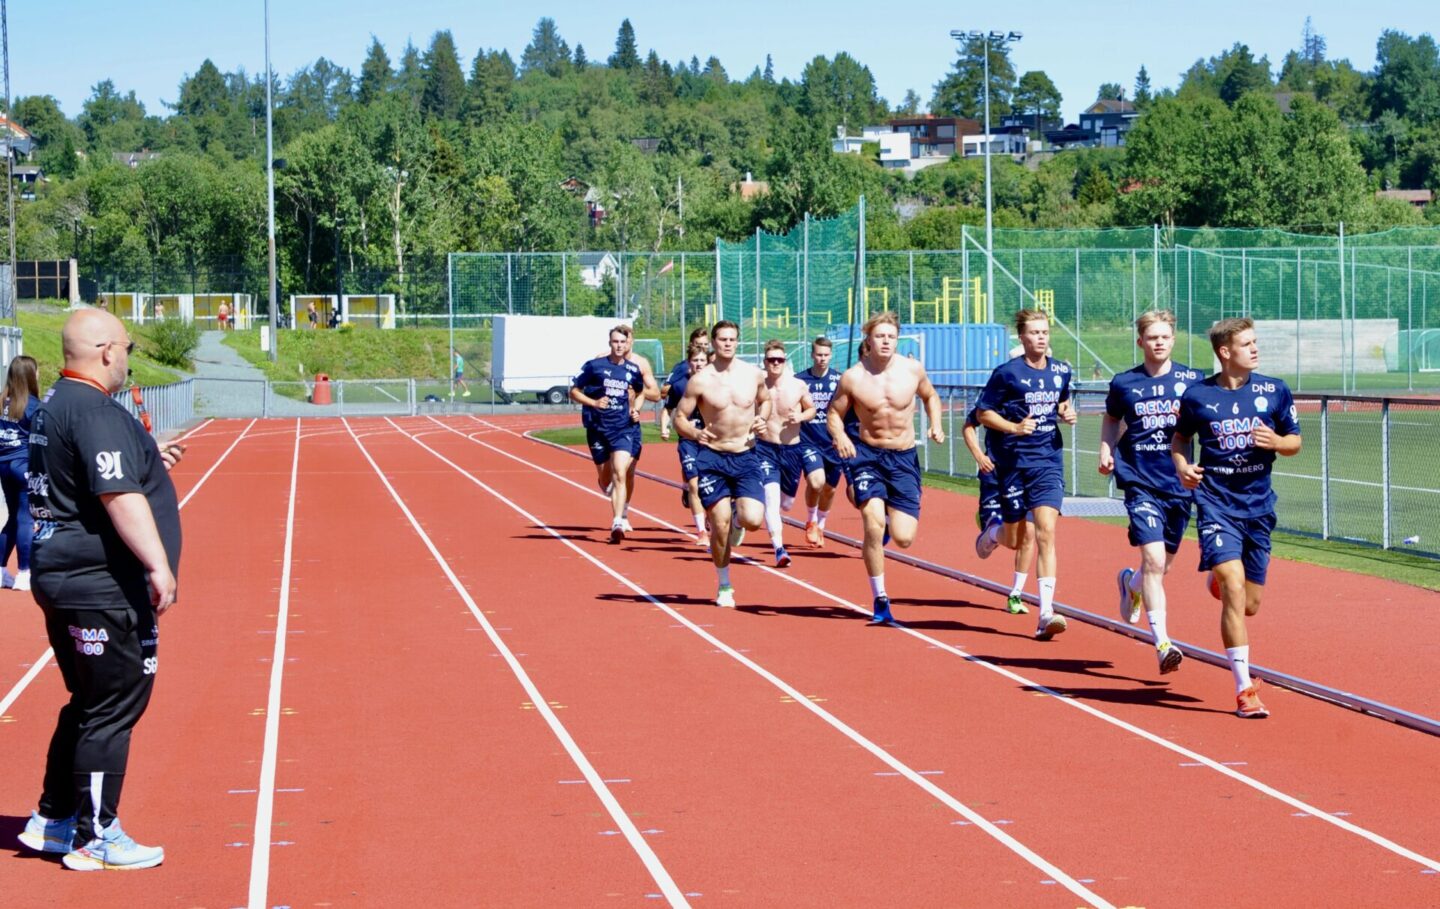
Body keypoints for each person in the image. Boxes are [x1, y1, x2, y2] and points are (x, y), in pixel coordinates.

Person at [18, 308, 186, 870]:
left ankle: (54, 818)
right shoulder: (93, 410)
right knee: (113, 704)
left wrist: (147, 460)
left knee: (91, 701)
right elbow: (118, 496)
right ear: (107, 350)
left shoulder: (56, 404)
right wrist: (159, 565)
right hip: (99, 585)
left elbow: (86, 476)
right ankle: (97, 835)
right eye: (128, 347)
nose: (128, 358)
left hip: (65, 575)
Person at [1172, 317, 1301, 718]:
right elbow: (1180, 437)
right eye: (1247, 344)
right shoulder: (1198, 395)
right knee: (1233, 585)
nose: (1255, 349)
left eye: (1255, 342)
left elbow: (1295, 441)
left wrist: (1277, 442)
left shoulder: (1274, 390)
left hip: (1258, 506)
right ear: (1225, 352)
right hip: (1215, 503)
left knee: (1250, 604)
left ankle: (1220, 579)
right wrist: (1182, 465)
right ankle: (1245, 689)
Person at [1098, 310, 1202, 674]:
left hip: (1178, 483)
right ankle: (1162, 644)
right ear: (1141, 341)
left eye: (1165, 336)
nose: (1159, 342)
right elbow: (1112, 418)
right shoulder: (1125, 383)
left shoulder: (1193, 381)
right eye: (1152, 337)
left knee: (1162, 566)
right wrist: (1107, 449)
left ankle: (1131, 583)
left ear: (1173, 339)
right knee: (1154, 560)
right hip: (1139, 480)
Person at [827, 311, 944, 625]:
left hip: (903, 458)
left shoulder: (912, 370)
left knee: (904, 538)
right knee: (872, 522)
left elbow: (931, 396)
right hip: (868, 456)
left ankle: (891, 523)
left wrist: (935, 423)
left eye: (891, 336)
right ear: (868, 339)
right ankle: (880, 599)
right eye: (880, 336)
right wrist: (840, 437)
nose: (886, 341)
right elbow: (834, 413)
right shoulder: (853, 377)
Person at [974, 309, 1077, 641]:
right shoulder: (1007, 373)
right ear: (1022, 337)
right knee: (1016, 539)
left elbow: (1062, 402)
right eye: (1034, 332)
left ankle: (1046, 613)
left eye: (1045, 332)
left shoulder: (1061, 370)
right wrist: (1014, 428)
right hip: (1013, 464)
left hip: (1048, 461)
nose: (1041, 337)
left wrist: (1066, 412)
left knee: (1046, 531)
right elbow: (983, 414)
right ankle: (993, 534)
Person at [675, 320, 770, 607]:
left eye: (732, 339)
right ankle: (725, 584)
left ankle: (739, 520)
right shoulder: (701, 379)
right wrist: (695, 433)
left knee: (753, 520)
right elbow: (680, 418)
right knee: (719, 524)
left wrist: (762, 418)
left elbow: (765, 401)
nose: (727, 343)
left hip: (746, 455)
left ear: (737, 341)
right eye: (722, 339)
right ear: (713, 343)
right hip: (713, 457)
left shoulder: (753, 374)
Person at [571, 326, 645, 543]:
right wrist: (594, 402)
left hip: (622, 429)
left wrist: (635, 409)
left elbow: (640, 391)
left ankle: (617, 522)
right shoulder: (595, 366)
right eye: (615, 342)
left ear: (628, 343)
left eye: (623, 342)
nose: (619, 346)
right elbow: (573, 391)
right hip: (597, 429)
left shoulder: (633, 369)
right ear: (610, 343)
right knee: (606, 479)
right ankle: (607, 488)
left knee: (620, 472)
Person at [961, 405, 1036, 615]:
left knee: (1028, 533)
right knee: (1005, 540)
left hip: (1027, 473)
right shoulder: (994, 398)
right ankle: (992, 532)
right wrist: (979, 456)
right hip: (995, 473)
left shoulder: (1033, 397)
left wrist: (1066, 411)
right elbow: (968, 425)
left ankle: (1015, 594)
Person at [755, 340, 816, 567]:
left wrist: (800, 417)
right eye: (771, 360)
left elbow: (812, 409)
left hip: (792, 450)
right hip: (766, 448)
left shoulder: (797, 385)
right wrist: (755, 424)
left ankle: (744, 513)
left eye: (779, 360)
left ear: (784, 361)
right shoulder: (758, 386)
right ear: (765, 362)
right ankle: (779, 549)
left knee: (787, 503)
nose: (776, 363)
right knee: (770, 499)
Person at [660, 342, 711, 544]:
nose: (699, 364)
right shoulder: (681, 385)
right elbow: (668, 408)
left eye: (702, 360)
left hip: (711, 440)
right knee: (694, 484)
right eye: (695, 360)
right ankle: (701, 531)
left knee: (710, 484)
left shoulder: (715, 383)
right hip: (688, 440)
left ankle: (713, 516)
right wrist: (665, 427)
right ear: (689, 363)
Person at [0, 355, 40, 591]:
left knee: (13, 517)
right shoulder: (33, 406)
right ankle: (24, 573)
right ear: (30, 376)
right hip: (23, 465)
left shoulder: (1, 402)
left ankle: (1, 570)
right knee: (26, 517)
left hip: (4, 465)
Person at [798, 336, 842, 547]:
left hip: (833, 443)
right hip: (808, 442)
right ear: (812, 355)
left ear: (831, 356)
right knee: (816, 482)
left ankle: (821, 526)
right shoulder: (800, 381)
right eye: (819, 354)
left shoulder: (840, 381)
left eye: (826, 355)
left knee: (829, 489)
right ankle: (811, 520)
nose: (822, 359)